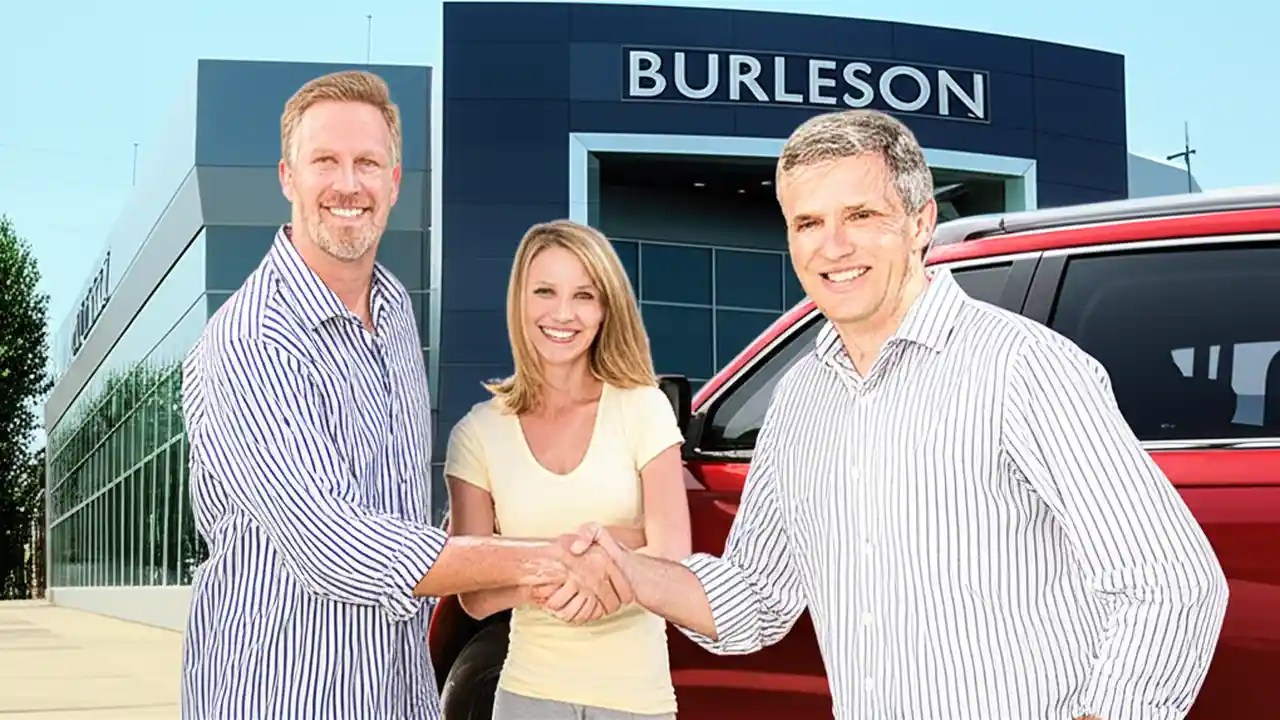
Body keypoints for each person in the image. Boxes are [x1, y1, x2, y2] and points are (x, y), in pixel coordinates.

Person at [573, 109, 1231, 719]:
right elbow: (758, 598)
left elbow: (1172, 583)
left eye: (860, 215)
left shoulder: (1022, 368)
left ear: (919, 223)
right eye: (808, 223)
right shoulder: (800, 400)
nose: (832, 247)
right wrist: (634, 575)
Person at [178, 70, 631, 720]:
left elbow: (399, 518)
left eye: (368, 163)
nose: (347, 184)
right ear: (287, 177)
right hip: (280, 698)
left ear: (393, 183)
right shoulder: (251, 343)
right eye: (324, 162)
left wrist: (508, 518)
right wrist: (547, 559)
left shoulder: (392, 314)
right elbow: (340, 547)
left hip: (393, 694)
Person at [444, 219, 691, 720]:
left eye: (583, 295)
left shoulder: (643, 408)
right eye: (545, 291)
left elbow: (672, 554)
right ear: (521, 300)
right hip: (527, 698)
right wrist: (574, 562)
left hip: (636, 701)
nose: (563, 313)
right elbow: (474, 592)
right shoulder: (477, 434)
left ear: (605, 309)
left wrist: (534, 561)